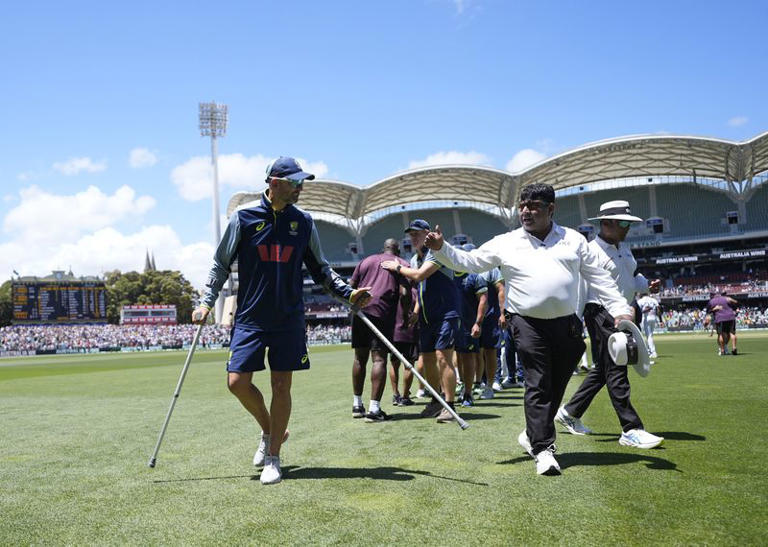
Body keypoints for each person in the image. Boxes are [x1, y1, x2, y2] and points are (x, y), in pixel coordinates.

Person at [425, 184, 634, 475]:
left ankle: (531, 433)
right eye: (523, 205)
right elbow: (472, 263)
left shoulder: (574, 240)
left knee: (557, 384)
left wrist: (620, 308)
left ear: (551, 209)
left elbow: (598, 278)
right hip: (525, 321)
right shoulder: (506, 242)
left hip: (566, 324)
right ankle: (543, 449)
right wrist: (442, 248)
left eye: (534, 205)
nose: (526, 211)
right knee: (538, 381)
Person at [192, 156, 370, 485]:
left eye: (302, 182)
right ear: (275, 183)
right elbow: (220, 264)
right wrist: (206, 302)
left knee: (281, 385)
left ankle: (273, 456)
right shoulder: (243, 218)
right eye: (295, 182)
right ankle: (271, 430)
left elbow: (321, 268)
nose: (301, 188)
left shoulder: (303, 222)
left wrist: (348, 293)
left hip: (288, 318)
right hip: (250, 317)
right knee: (237, 383)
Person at [554, 200, 664, 450]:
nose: (627, 228)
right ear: (606, 224)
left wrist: (647, 286)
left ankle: (570, 412)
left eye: (628, 223)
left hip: (621, 313)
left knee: (604, 369)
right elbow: (581, 290)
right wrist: (575, 320)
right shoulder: (590, 252)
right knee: (618, 366)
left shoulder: (624, 249)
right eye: (623, 223)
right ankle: (631, 428)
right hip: (601, 313)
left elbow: (630, 278)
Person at [381, 219, 461, 423]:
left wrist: (397, 268)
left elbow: (419, 275)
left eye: (417, 234)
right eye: (411, 235)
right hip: (427, 317)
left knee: (443, 357)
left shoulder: (438, 252)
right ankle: (436, 401)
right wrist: (416, 310)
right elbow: (420, 288)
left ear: (428, 233)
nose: (413, 238)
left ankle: (449, 406)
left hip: (445, 313)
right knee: (427, 360)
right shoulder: (415, 258)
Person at [349, 238, 410, 422]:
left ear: (382, 248)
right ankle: (374, 409)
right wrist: (406, 316)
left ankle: (357, 404)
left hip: (360, 311)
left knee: (360, 358)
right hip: (381, 313)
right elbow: (405, 293)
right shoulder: (400, 263)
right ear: (397, 250)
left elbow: (351, 287)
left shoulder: (365, 261)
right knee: (379, 359)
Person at [453, 243, 488, 407]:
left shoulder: (475, 276)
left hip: (468, 325)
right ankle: (456, 389)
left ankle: (468, 393)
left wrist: (478, 323)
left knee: (467, 357)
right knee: (455, 357)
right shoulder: (448, 274)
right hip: (451, 325)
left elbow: (483, 300)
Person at [389, 283, 418, 407]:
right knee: (409, 365)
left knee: (394, 364)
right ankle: (405, 397)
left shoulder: (393, 291)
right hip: (410, 333)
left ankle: (396, 395)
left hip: (393, 332)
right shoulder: (416, 292)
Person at [707, 291, 739, 355]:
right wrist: (736, 309)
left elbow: (708, 311)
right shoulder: (727, 298)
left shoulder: (711, 301)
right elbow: (736, 302)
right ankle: (734, 348)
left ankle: (722, 350)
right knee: (732, 333)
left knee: (720, 335)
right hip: (730, 317)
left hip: (720, 318)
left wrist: (714, 309)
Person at [637, 292, 661, 358]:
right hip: (654, 318)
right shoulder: (653, 300)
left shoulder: (640, 301)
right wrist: (660, 319)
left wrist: (645, 310)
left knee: (649, 336)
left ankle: (653, 352)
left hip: (646, 319)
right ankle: (649, 351)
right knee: (650, 336)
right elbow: (658, 309)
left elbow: (639, 311)